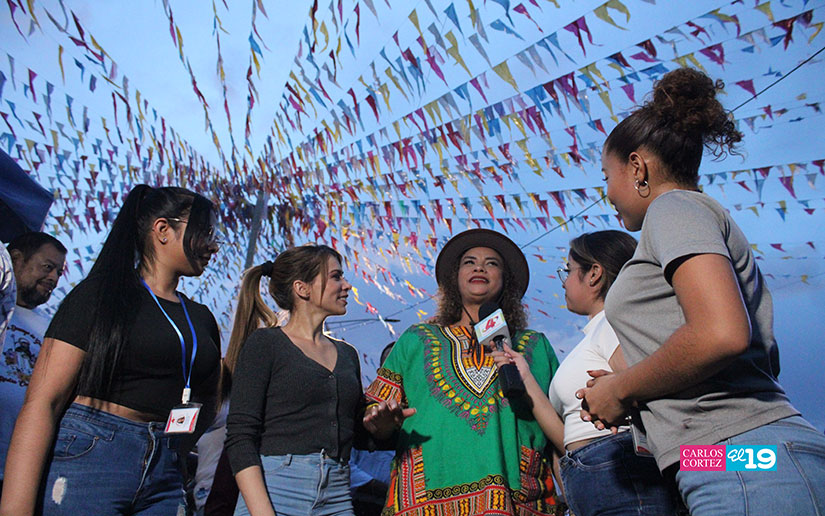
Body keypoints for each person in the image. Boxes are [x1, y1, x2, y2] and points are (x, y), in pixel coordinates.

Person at [578, 67, 825, 515]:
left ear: (636, 166)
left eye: (606, 176)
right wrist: (630, 390)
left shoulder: (674, 208)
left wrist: (620, 391)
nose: (607, 193)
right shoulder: (682, 219)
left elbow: (721, 334)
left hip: (746, 457)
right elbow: (749, 359)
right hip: (718, 458)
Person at [0, 185, 222, 516]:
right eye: (204, 232)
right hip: (92, 456)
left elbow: (209, 399)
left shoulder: (201, 318)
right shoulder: (100, 296)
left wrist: (175, 448)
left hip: (166, 471)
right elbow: (43, 402)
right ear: (163, 230)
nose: (213, 245)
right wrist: (15, 508)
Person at [364, 229, 565, 516]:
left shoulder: (534, 345)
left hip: (520, 500)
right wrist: (381, 420)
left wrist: (576, 496)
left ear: (505, 282)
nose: (480, 267)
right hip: (423, 501)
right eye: (469, 262)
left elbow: (558, 435)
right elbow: (376, 418)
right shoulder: (417, 339)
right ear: (454, 279)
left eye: (492, 263)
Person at [493, 231, 680, 516]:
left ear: (594, 274)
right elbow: (567, 435)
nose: (565, 281)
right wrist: (526, 378)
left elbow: (649, 391)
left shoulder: (614, 325)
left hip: (622, 470)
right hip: (586, 472)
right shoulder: (594, 334)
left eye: (568, 271)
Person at [224, 244, 365, 516]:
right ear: (303, 288)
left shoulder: (348, 355)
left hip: (337, 496)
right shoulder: (266, 344)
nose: (347, 285)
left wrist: (381, 424)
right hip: (275, 492)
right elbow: (241, 436)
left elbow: (356, 435)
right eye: (336, 276)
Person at [0, 232, 67, 496]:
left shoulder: (53, 329)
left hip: (15, 473)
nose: (53, 278)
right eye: (47, 267)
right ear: (15, 259)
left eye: (59, 273)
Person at [349, 343, 395, 516]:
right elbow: (345, 463)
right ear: (381, 371)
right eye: (392, 365)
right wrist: (376, 486)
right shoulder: (362, 407)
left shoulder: (423, 411)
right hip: (366, 503)